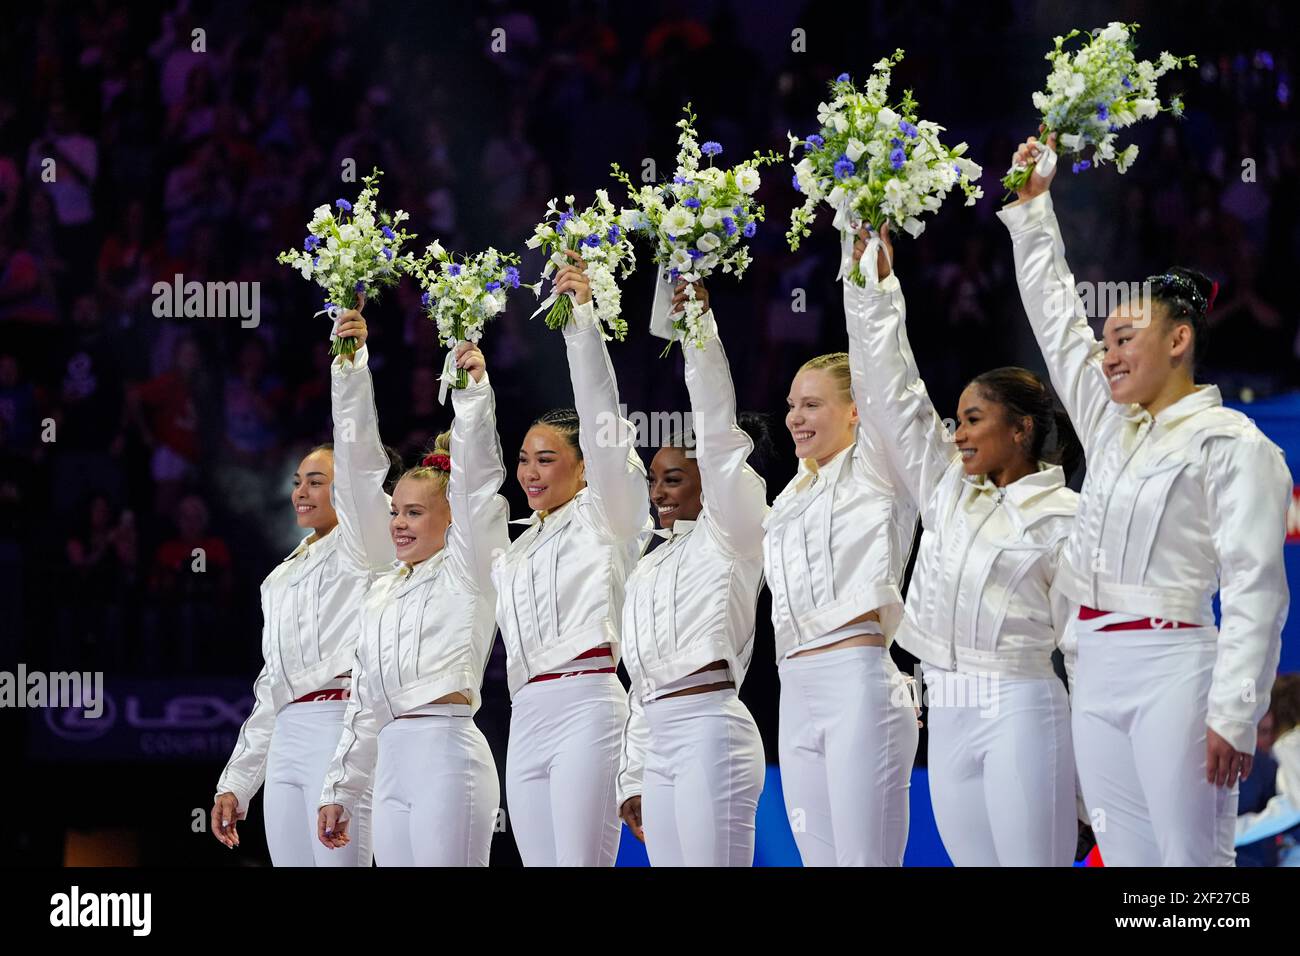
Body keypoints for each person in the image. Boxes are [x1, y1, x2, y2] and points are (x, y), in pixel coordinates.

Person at [1000, 133, 1292, 866]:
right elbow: (1057, 326)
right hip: (1093, 666)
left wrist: (1234, 710)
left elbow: (1258, 587)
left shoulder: (1233, 443)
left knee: (1192, 866)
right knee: (1127, 866)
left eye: (1126, 337)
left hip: (1174, 666)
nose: (1108, 352)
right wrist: (1034, 209)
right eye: (1106, 342)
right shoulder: (1110, 426)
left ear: (1180, 340)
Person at [846, 222, 1081, 865]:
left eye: (974, 419)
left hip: (1022, 705)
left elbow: (1086, 650)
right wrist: (876, 284)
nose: (958, 434)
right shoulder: (946, 487)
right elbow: (896, 394)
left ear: (1022, 428)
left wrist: (1091, 782)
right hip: (946, 704)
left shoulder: (1066, 517)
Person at [211, 303, 402, 865]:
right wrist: (237, 781)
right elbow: (271, 684)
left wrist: (350, 362)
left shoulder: (364, 544)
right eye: (297, 482)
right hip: (288, 739)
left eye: (317, 481)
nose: (301, 491)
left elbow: (361, 453)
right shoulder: (279, 577)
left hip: (342, 728)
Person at [316, 309, 509, 866]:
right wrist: (342, 789)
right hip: (389, 763)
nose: (398, 523)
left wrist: (473, 398)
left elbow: (477, 489)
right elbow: (362, 704)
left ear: (450, 519)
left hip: (447, 754)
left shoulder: (468, 568)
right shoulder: (380, 591)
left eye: (415, 513)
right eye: (396, 511)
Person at [496, 251, 652, 866]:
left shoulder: (607, 514)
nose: (530, 473)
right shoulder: (517, 546)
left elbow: (603, 420)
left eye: (547, 459)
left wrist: (582, 325)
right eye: (525, 459)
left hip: (588, 704)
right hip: (525, 712)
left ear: (584, 466)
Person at [763, 264, 921, 866]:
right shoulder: (788, 498)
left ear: (856, 411)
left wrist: (868, 280)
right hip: (794, 687)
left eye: (812, 405)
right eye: (791, 406)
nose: (795, 418)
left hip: (858, 678)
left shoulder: (878, 469)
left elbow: (890, 380)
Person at [616, 280, 769, 866]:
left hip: (713, 732)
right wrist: (633, 772)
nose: (658, 492)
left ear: (707, 480)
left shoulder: (731, 530)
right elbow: (640, 682)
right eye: (653, 479)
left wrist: (699, 334)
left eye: (673, 478)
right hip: (661, 739)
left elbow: (718, 430)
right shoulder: (648, 566)